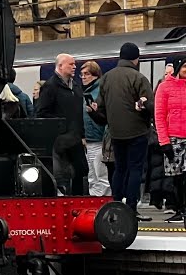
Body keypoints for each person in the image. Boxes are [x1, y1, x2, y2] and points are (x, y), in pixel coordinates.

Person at [93, 42, 155, 217]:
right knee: (135, 169)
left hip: (116, 133)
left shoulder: (106, 78)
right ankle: (132, 208)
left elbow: (100, 108)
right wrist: (144, 107)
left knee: (120, 169)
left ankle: (116, 206)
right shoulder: (138, 78)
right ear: (136, 59)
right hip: (137, 132)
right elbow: (150, 105)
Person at [36, 53, 88, 195]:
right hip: (59, 140)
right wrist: (61, 125)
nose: (74, 67)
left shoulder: (76, 87)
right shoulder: (50, 87)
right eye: (71, 64)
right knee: (62, 174)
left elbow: (78, 115)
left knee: (82, 169)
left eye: (74, 64)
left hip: (75, 137)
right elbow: (41, 112)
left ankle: (78, 200)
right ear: (60, 66)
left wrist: (81, 134)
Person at [155, 56, 186, 222]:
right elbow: (159, 115)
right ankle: (179, 208)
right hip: (174, 138)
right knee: (177, 177)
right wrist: (164, 141)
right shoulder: (164, 87)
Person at [80, 61, 109, 196]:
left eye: (87, 74)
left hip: (99, 140)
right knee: (92, 175)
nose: (83, 77)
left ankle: (103, 201)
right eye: (82, 74)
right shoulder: (86, 93)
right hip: (89, 141)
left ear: (96, 75)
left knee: (101, 174)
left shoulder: (99, 92)